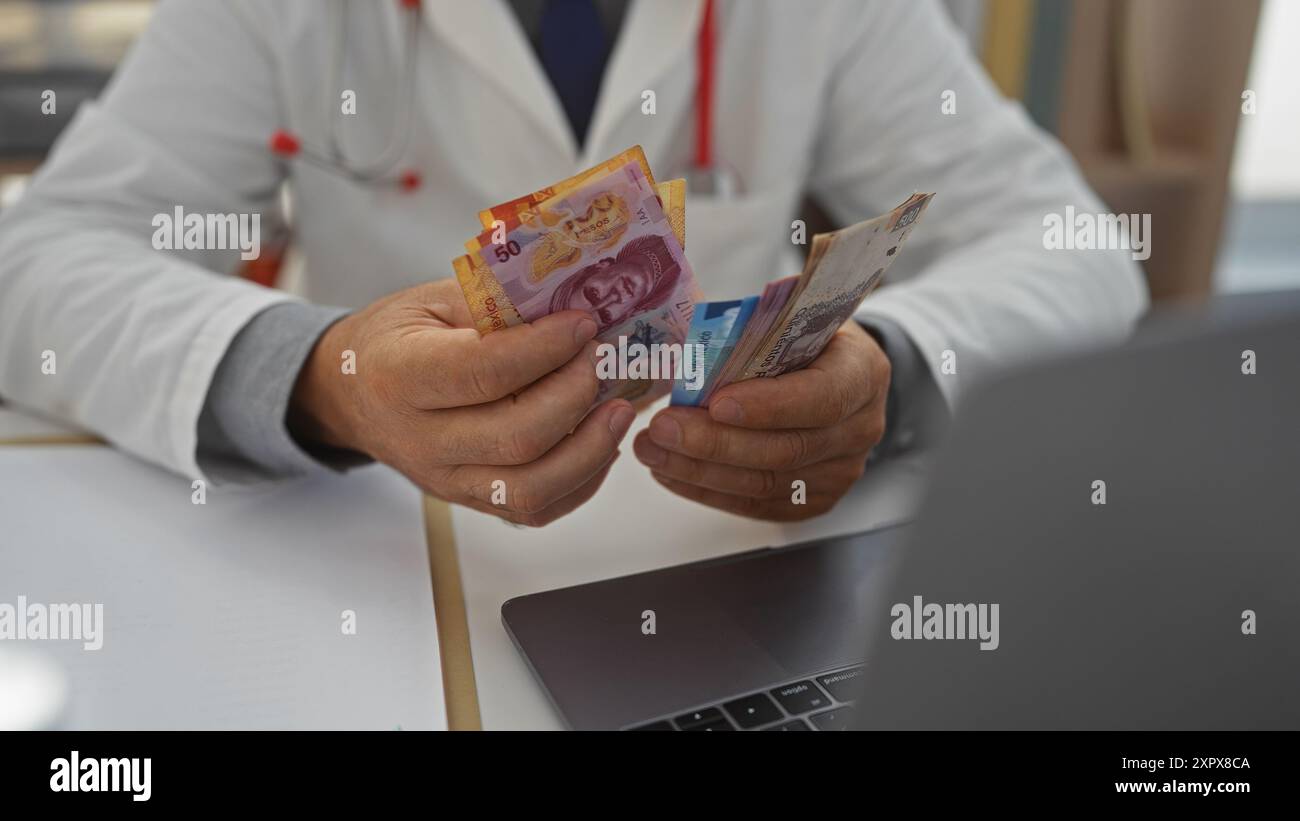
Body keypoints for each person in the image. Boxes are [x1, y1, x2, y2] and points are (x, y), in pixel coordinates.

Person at [0, 0, 1147, 526]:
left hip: (711, 561)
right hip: (381, 558)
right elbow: (36, 259)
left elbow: (1072, 243)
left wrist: (891, 369)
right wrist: (321, 376)